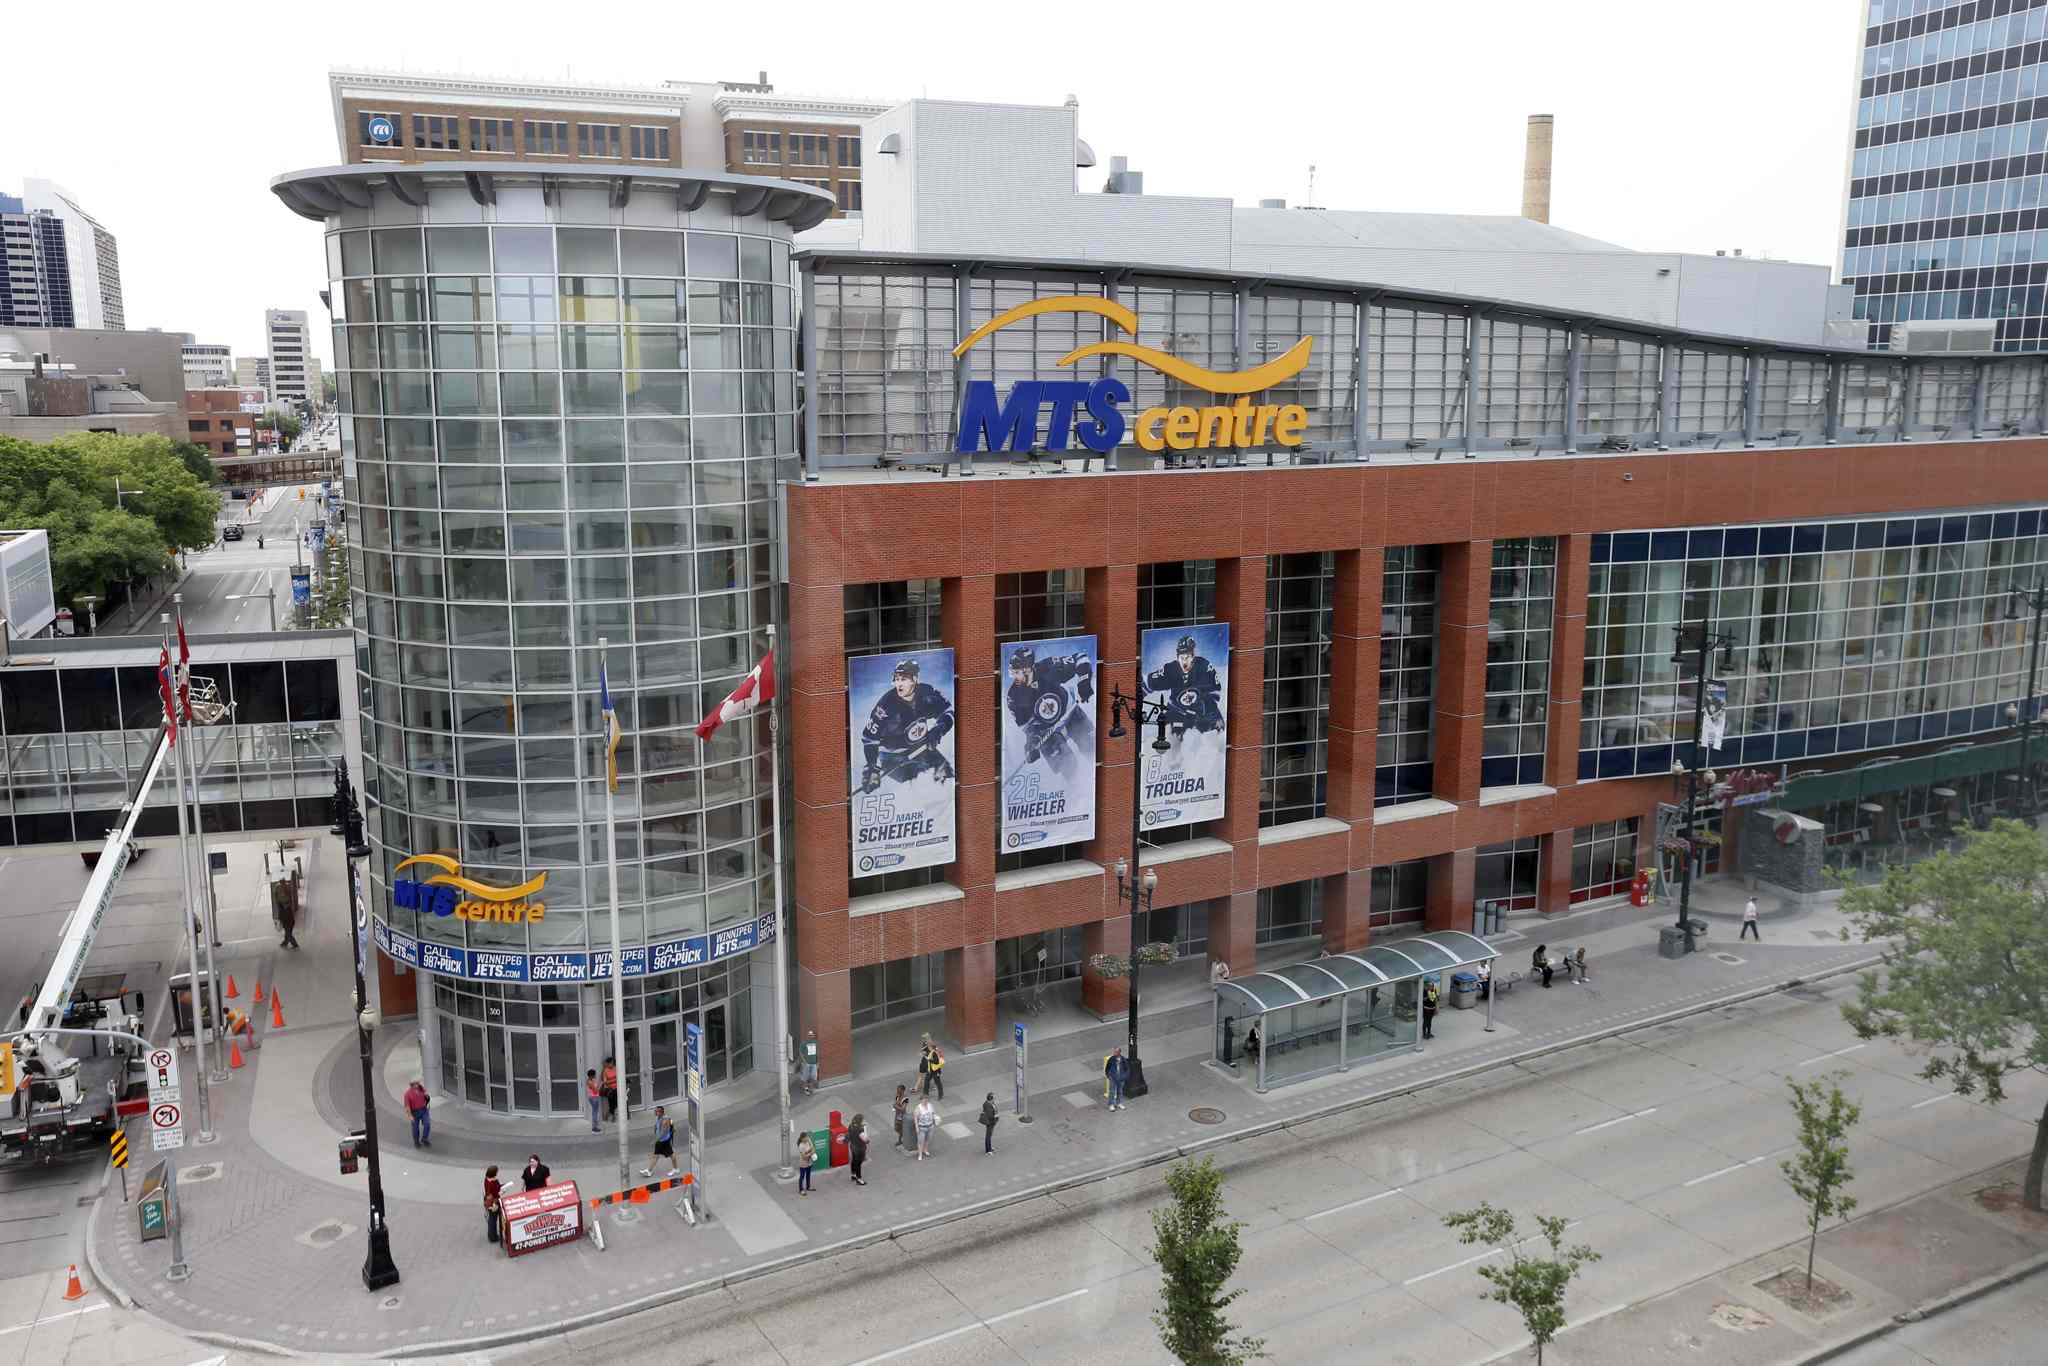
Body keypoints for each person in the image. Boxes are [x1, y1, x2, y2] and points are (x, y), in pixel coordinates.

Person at [859, 658, 956, 793]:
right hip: (894, 758)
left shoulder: (927, 693)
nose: (899, 684)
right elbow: (869, 738)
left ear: (915, 679)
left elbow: (948, 711)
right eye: (897, 679)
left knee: (948, 783)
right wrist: (871, 766)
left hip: (923, 748)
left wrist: (939, 729)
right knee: (917, 791)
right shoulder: (886, 706)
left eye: (903, 679)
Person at [1005, 645, 1095, 779]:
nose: (1015, 677)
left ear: (1028, 668)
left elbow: (1081, 658)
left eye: (1017, 672)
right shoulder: (1014, 695)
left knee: (1091, 747)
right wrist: (1032, 742)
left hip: (1070, 714)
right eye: (1013, 673)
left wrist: (1084, 682)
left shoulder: (1049, 667)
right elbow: (1027, 726)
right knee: (1068, 766)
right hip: (1047, 731)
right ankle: (1079, 792)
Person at [642, 1105, 678, 1177]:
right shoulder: (659, 1117)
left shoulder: (665, 1120)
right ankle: (649, 1170)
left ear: (661, 1112)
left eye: (656, 1111)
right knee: (656, 1155)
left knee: (671, 1155)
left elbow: (664, 1132)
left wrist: (655, 1140)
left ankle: (676, 1169)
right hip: (660, 1141)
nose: (654, 1112)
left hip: (664, 1141)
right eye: (655, 1111)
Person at [404, 1079, 432, 1148]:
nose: (417, 1084)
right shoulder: (407, 1094)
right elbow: (407, 1106)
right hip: (414, 1112)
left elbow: (426, 1097)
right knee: (415, 1128)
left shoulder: (421, 1088)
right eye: (415, 1083)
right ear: (411, 1085)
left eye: (418, 1083)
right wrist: (410, 1116)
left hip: (424, 1110)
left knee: (427, 1124)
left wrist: (428, 1103)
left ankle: (424, 1139)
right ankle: (416, 1141)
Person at [1105, 1047, 1130, 1111]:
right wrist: (1109, 1076)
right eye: (1114, 1052)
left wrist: (1124, 1077)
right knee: (1112, 1092)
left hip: (1120, 1078)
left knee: (1120, 1091)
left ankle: (1119, 1103)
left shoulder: (1123, 1060)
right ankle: (1111, 1104)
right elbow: (1107, 1068)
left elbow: (1127, 1069)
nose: (1114, 1053)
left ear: (1119, 1052)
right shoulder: (1111, 1059)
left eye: (1115, 1052)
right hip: (1113, 1078)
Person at [847, 1113, 869, 1186]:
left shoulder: (851, 1126)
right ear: (860, 1121)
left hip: (852, 1146)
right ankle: (859, 1179)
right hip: (859, 1148)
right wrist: (865, 1129)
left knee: (854, 1160)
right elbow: (866, 1140)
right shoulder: (860, 1130)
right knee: (858, 1163)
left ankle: (853, 1175)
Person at [482, 1165, 502, 1244]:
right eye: (496, 1171)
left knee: (491, 1219)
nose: (497, 1173)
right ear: (494, 1173)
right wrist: (502, 1191)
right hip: (494, 1202)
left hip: (488, 1202)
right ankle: (493, 1237)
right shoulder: (493, 1182)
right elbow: (496, 1192)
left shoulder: (486, 1179)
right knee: (493, 1220)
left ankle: (491, 1235)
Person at [914, 1095, 937, 1160]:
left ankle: (925, 1150)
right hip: (922, 1127)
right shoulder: (918, 1108)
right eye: (924, 1099)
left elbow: (933, 1113)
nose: (925, 1101)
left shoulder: (930, 1105)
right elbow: (915, 1118)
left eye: (926, 1099)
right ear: (921, 1100)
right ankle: (920, 1154)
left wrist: (935, 1120)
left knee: (928, 1139)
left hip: (930, 1126)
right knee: (921, 1141)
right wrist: (917, 1127)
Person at [800, 1029, 820, 1095]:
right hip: (807, 1064)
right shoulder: (804, 1043)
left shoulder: (815, 1042)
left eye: (811, 1035)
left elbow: (817, 1053)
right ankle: (806, 1089)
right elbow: (801, 1053)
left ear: (813, 1036)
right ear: (807, 1036)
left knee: (814, 1077)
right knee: (805, 1077)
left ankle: (811, 1088)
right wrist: (804, 1062)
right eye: (809, 1035)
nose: (810, 1036)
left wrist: (818, 1062)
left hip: (814, 1063)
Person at [796, 1131, 815, 1196]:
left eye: (807, 1137)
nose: (807, 1138)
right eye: (806, 1137)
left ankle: (808, 1187)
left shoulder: (808, 1140)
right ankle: (801, 1189)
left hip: (809, 1162)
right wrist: (810, 1153)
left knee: (808, 1174)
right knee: (802, 1176)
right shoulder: (801, 1146)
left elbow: (812, 1147)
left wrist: (810, 1152)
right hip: (803, 1163)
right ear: (802, 1139)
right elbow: (804, 1157)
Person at [893, 1084, 910, 1151]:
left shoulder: (905, 1098)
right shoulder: (897, 1096)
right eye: (897, 1090)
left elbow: (903, 1109)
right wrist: (896, 1106)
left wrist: (895, 1106)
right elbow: (896, 1103)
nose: (897, 1091)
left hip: (902, 1116)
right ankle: (903, 1136)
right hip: (897, 1115)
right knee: (896, 1128)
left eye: (899, 1090)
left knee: (900, 1127)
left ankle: (901, 1140)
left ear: (903, 1091)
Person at [584, 1068, 602, 1133]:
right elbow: (595, 1091)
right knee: (595, 1113)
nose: (595, 1075)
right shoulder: (590, 1082)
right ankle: (594, 1128)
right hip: (594, 1098)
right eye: (594, 1074)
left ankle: (595, 1126)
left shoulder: (592, 1080)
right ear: (591, 1075)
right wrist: (600, 1085)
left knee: (595, 1112)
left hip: (593, 1098)